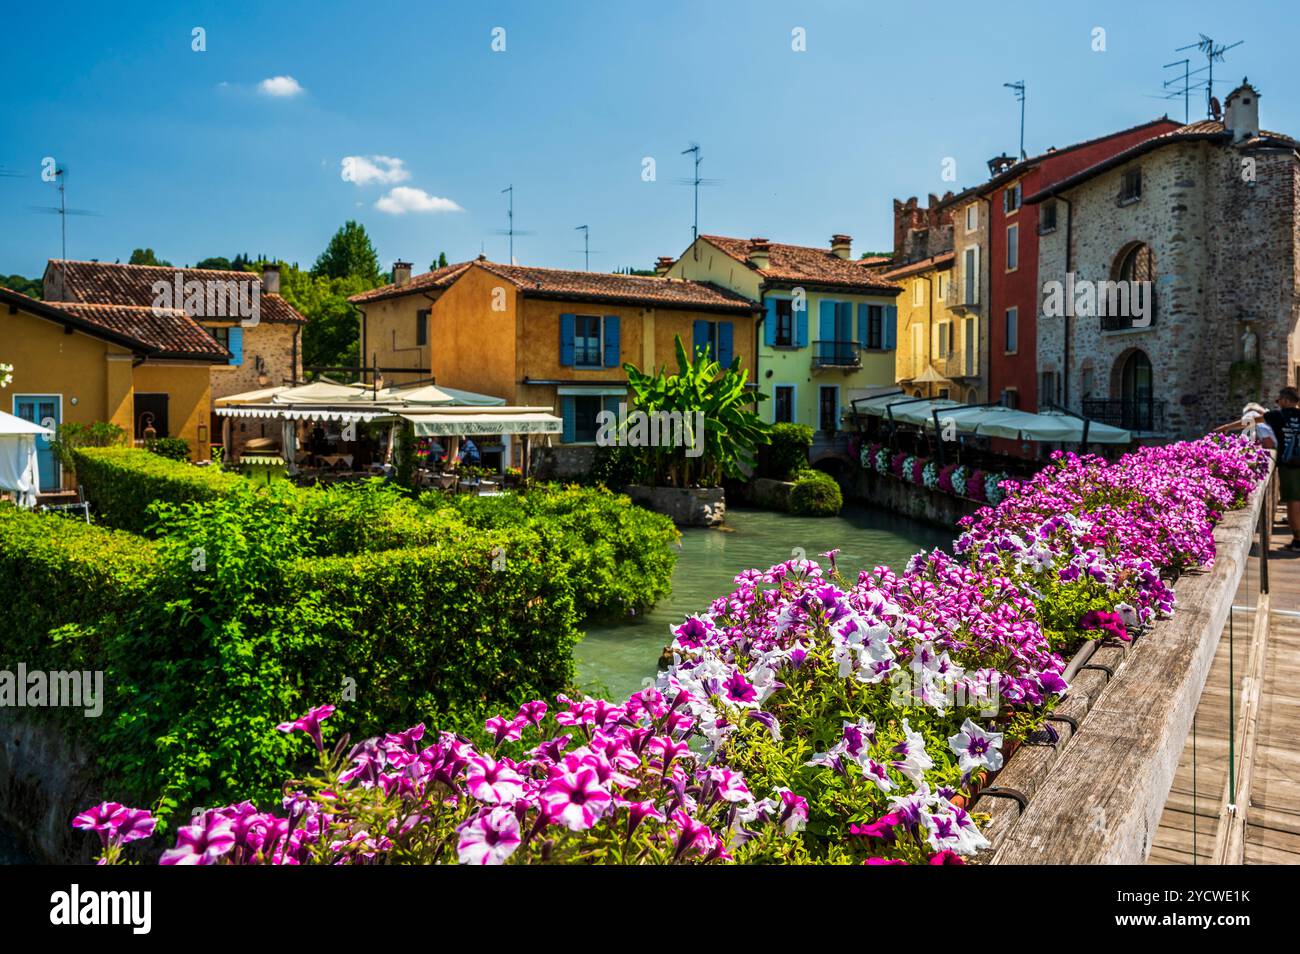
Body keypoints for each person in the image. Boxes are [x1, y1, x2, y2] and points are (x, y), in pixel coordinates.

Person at [1264, 388, 1300, 550]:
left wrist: (1226, 427)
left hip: (1289, 466)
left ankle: (1298, 540)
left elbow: (1250, 421)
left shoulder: (1277, 416)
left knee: (1293, 503)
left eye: (1278, 401)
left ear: (1285, 400)